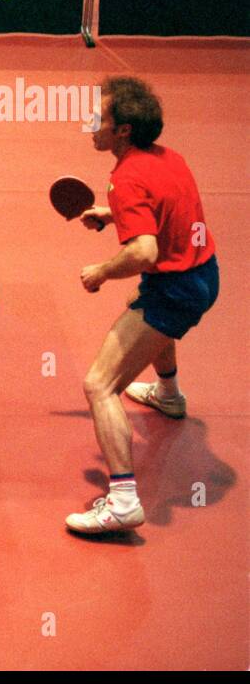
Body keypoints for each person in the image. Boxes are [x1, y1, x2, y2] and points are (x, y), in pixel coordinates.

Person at [66, 77, 218, 535]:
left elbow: (144, 254)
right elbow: (166, 204)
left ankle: (123, 501)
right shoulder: (168, 157)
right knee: (144, 310)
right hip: (205, 273)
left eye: (101, 119)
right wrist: (114, 214)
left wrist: (100, 271)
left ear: (124, 132)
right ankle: (168, 396)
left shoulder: (125, 177)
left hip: (173, 288)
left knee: (99, 386)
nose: (92, 124)